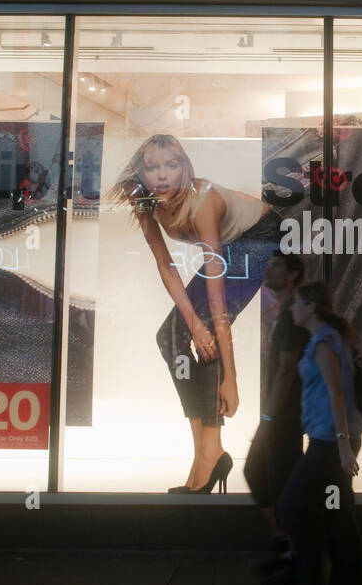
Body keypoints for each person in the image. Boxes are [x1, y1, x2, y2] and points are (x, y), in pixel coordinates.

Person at [106, 134, 282, 493]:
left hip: (260, 238)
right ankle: (204, 451)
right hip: (231, 246)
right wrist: (191, 325)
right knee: (171, 336)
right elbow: (166, 266)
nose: (162, 175)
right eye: (153, 167)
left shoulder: (202, 202)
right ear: (142, 173)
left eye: (172, 165)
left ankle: (212, 452)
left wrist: (231, 378)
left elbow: (218, 304)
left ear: (185, 167)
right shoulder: (146, 204)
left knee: (206, 333)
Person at [275, 282, 362, 585]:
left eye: (297, 302)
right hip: (332, 440)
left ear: (312, 306)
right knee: (338, 519)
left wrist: (343, 448)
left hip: (329, 443)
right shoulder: (327, 337)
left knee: (291, 506)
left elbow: (336, 394)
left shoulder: (323, 342)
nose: (292, 308)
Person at [244, 251, 309, 585]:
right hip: (282, 416)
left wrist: (269, 419)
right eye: (267, 264)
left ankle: (296, 563)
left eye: (275, 266)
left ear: (293, 274)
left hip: (285, 417)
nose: (268, 270)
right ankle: (287, 553)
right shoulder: (286, 311)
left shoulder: (293, 314)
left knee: (278, 485)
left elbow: (287, 371)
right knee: (260, 475)